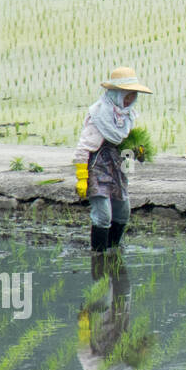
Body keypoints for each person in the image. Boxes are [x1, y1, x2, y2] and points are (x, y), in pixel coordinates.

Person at [74, 66, 153, 252]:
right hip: (97, 169)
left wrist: (138, 153)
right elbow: (83, 148)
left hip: (118, 170)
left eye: (133, 94)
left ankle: (114, 250)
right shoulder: (100, 115)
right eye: (127, 94)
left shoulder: (127, 117)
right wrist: (81, 178)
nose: (130, 99)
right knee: (103, 214)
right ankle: (99, 255)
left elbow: (125, 148)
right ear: (116, 93)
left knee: (123, 211)